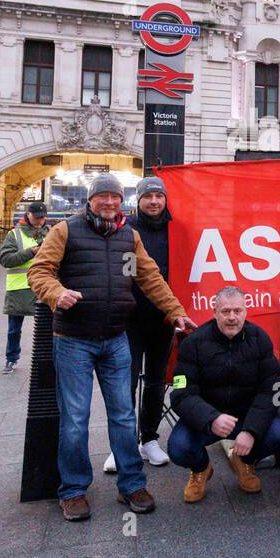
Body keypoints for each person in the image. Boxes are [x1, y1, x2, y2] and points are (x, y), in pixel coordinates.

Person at [28, 173, 195, 522]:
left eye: (115, 197)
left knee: (123, 415)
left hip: (116, 338)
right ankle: (73, 490)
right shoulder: (66, 231)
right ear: (91, 200)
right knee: (75, 419)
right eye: (102, 196)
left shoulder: (127, 236)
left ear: (122, 201)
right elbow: (39, 271)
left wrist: (175, 312)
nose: (109, 202)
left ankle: (131, 484)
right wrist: (57, 294)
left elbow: (150, 278)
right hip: (73, 340)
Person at [167, 286, 280, 502]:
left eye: (237, 311)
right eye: (225, 311)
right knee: (178, 447)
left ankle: (245, 461)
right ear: (214, 312)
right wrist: (211, 418)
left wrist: (252, 430)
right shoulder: (193, 343)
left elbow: (274, 389)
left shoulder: (260, 339)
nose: (232, 317)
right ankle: (201, 469)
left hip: (246, 418)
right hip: (206, 419)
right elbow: (180, 393)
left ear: (246, 311)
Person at [102, 176, 175, 473]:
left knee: (157, 382)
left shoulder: (175, 229)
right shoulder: (125, 229)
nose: (154, 201)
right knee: (125, 384)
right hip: (129, 320)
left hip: (163, 320)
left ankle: (150, 439)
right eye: (148, 196)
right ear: (138, 200)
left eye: (159, 196)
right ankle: (122, 445)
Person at [0, 201, 50, 373]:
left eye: (43, 218)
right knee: (14, 329)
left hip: (44, 287)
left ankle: (45, 360)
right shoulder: (14, 235)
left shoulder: (50, 233)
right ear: (28, 215)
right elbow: (6, 260)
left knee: (45, 327)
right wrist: (32, 252)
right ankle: (11, 358)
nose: (40, 221)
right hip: (19, 288)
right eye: (37, 218)